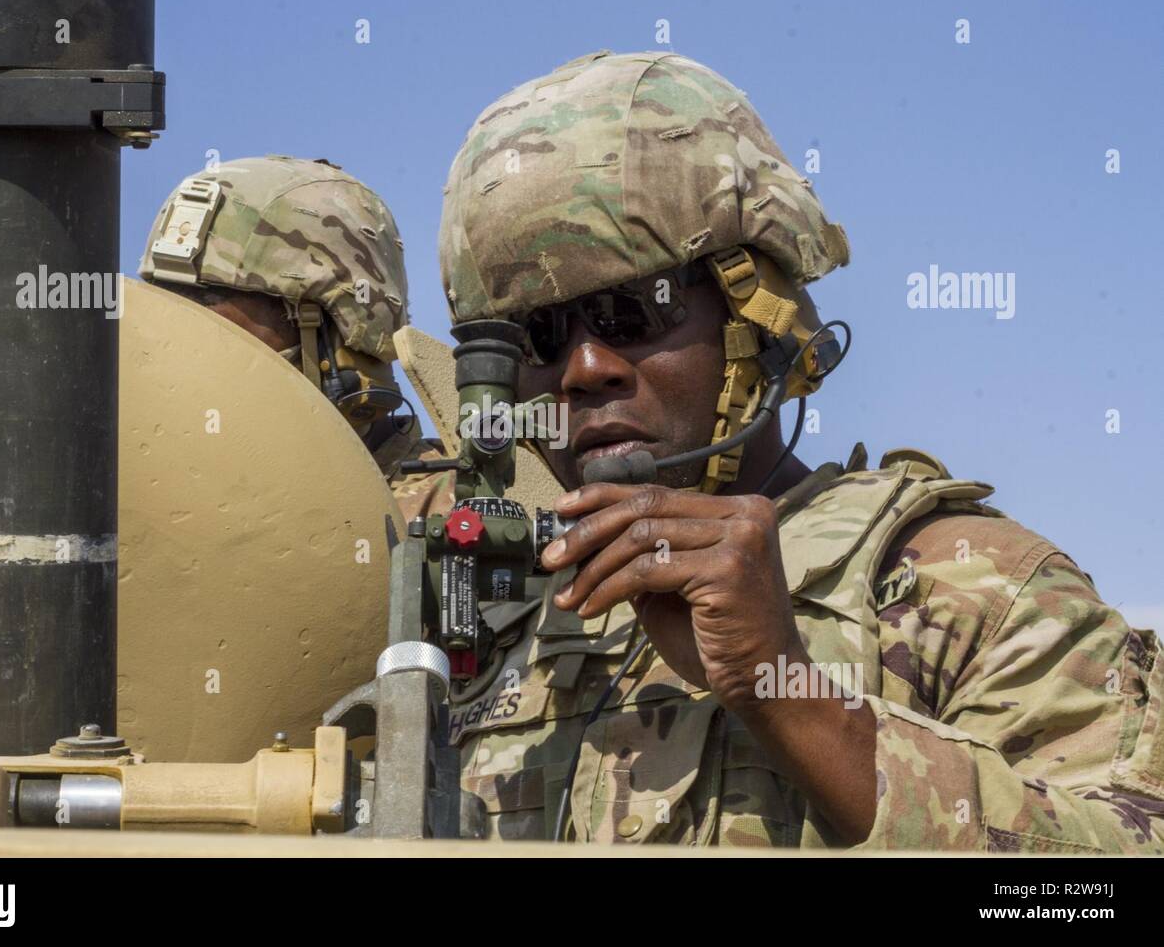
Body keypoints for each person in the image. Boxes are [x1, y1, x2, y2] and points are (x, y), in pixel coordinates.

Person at [434, 50, 1164, 850]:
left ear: (756, 318)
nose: (582, 371)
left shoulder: (975, 586)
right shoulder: (502, 623)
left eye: (634, 311)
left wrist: (788, 695)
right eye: (538, 336)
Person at [139, 154, 453, 520]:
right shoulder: (154, 496)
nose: (180, 350)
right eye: (169, 315)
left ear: (344, 334)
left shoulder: (453, 518)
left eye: (211, 323)